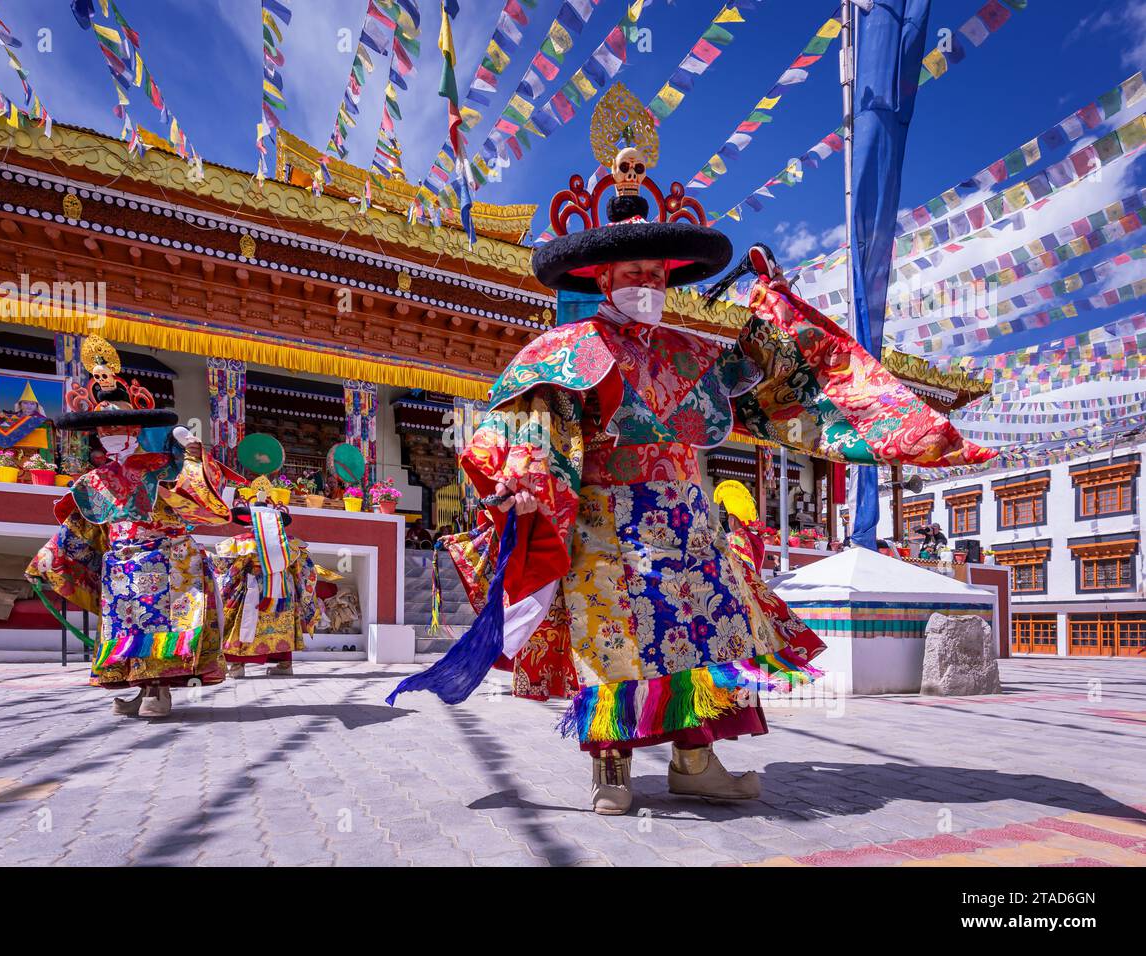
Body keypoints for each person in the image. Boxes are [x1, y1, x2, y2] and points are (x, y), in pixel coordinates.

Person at [389, 98, 993, 815]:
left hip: (686, 521)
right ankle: (611, 770)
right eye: (631, 273)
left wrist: (771, 313)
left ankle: (695, 762)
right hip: (604, 522)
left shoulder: (688, 351)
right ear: (602, 279)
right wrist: (524, 481)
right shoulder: (565, 350)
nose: (645, 284)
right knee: (611, 644)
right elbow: (534, 422)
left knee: (703, 640)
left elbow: (757, 386)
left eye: (656, 273)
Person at [26, 335, 231, 718]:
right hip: (120, 568)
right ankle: (141, 689)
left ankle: (158, 692)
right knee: (126, 632)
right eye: (104, 432)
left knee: (158, 629)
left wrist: (192, 454)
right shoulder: (95, 480)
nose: (110, 437)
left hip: (167, 562)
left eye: (118, 429)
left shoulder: (161, 467)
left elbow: (199, 496)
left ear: (136, 430)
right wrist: (50, 556)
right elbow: (85, 524)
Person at [211, 498, 321, 679]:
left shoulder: (244, 542)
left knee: (244, 623)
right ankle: (285, 664)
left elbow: (232, 568)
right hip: (284, 591)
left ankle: (238, 665)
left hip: (252, 588)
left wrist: (222, 581)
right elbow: (303, 569)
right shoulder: (290, 544)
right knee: (282, 624)